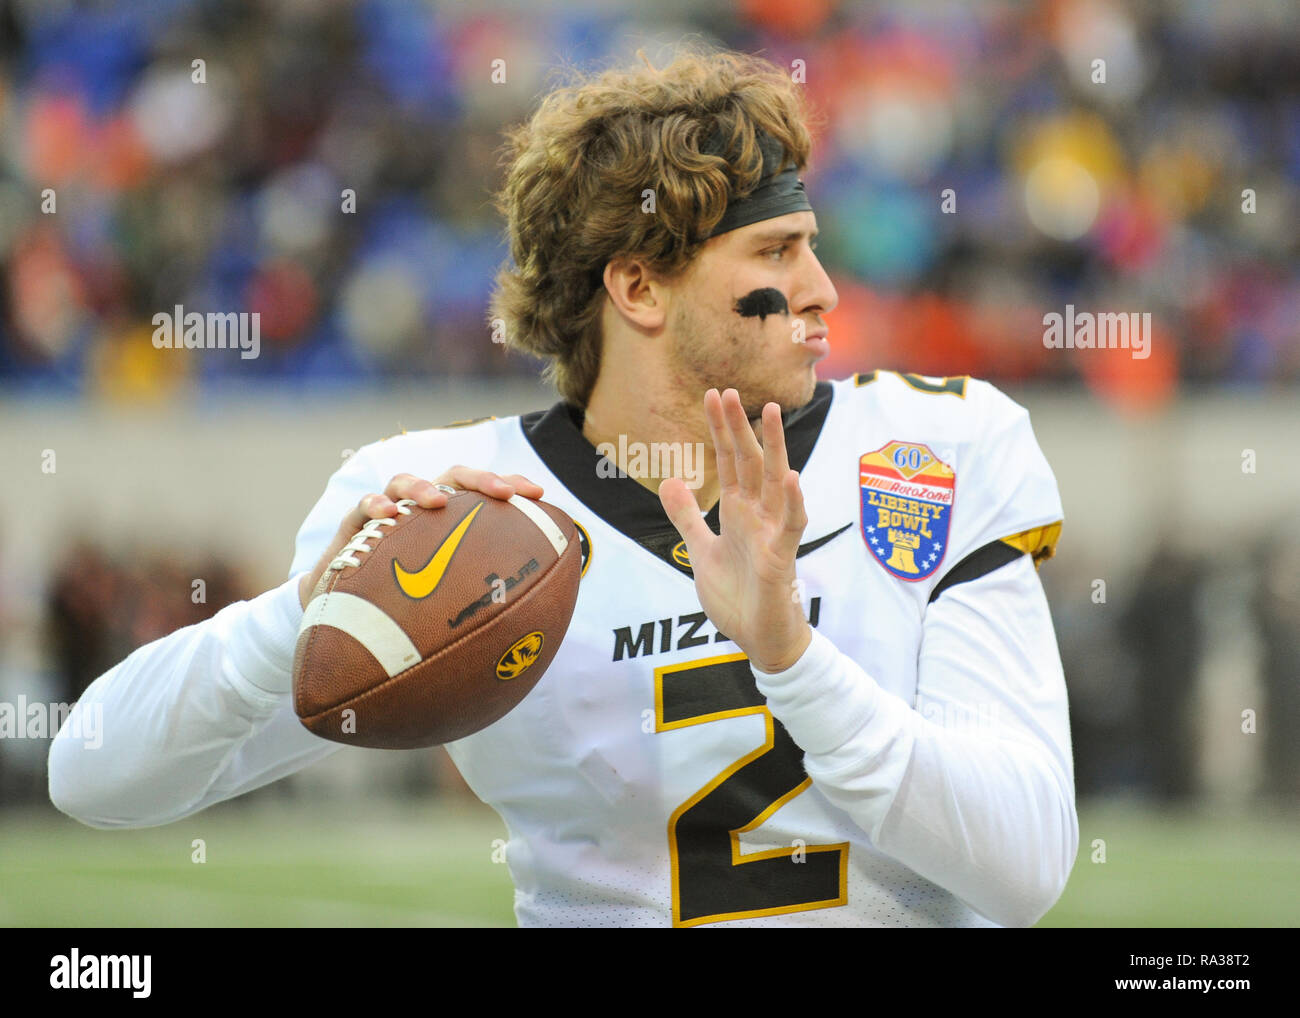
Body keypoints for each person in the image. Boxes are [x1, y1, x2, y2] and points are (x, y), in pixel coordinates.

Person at [49, 48, 1076, 927]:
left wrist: (792, 660)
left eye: (811, 246)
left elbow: (1025, 866)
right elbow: (91, 775)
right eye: (775, 251)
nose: (822, 290)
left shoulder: (929, 451)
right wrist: (294, 620)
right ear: (637, 286)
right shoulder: (462, 510)